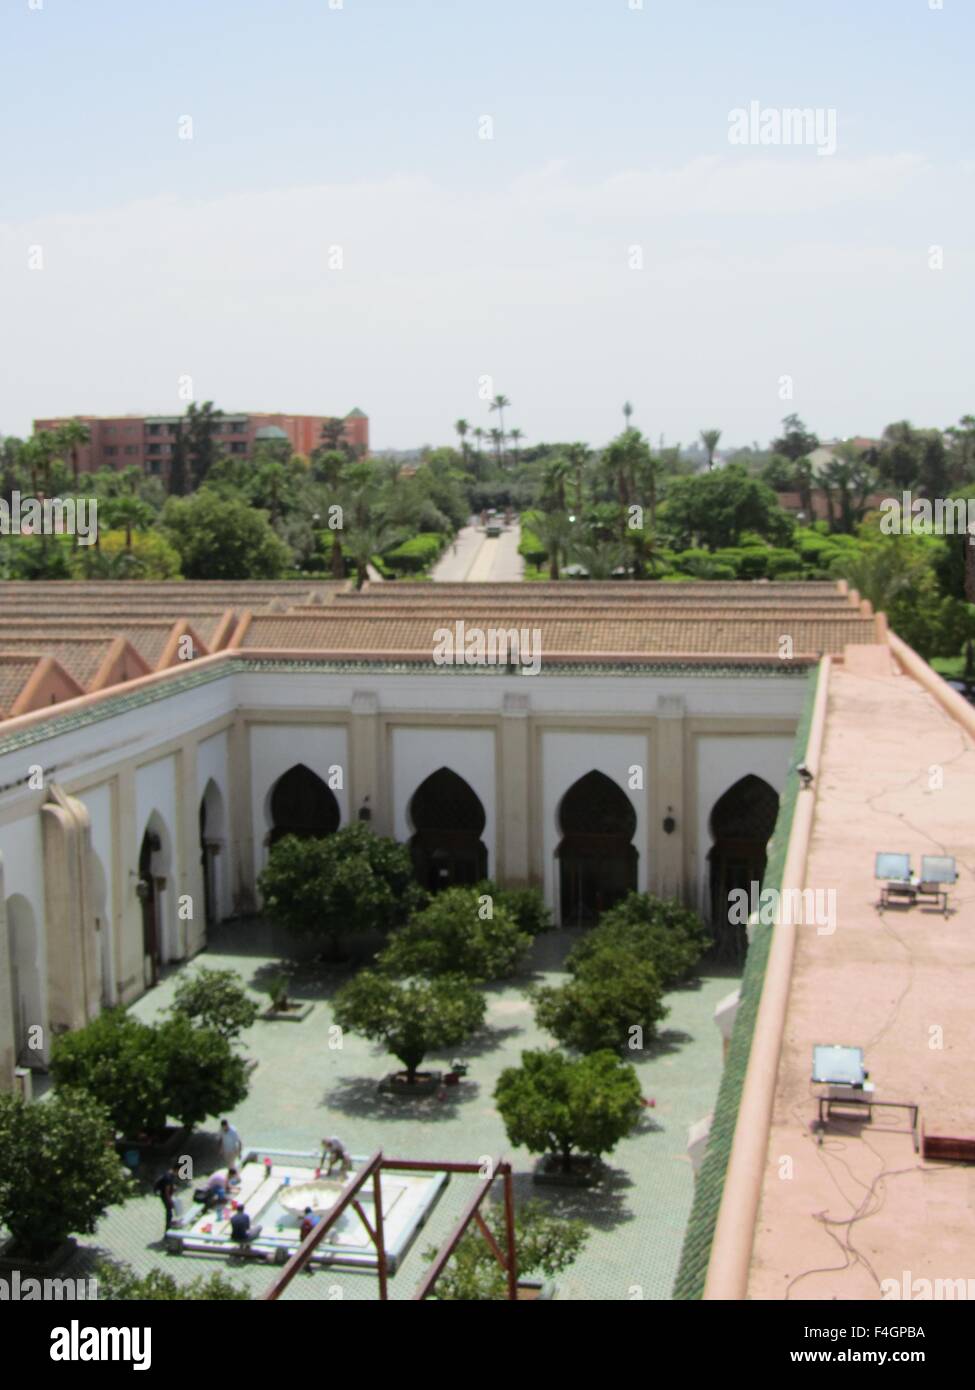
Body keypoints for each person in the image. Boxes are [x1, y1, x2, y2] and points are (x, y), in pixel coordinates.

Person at [154, 1166, 178, 1236]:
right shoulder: (168, 1178)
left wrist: (173, 1187)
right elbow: (166, 1192)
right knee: (169, 1212)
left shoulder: (170, 1174)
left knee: (169, 1211)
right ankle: (168, 1229)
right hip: (165, 1196)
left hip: (166, 1195)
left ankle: (170, 1225)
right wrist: (169, 1200)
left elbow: (170, 1185)